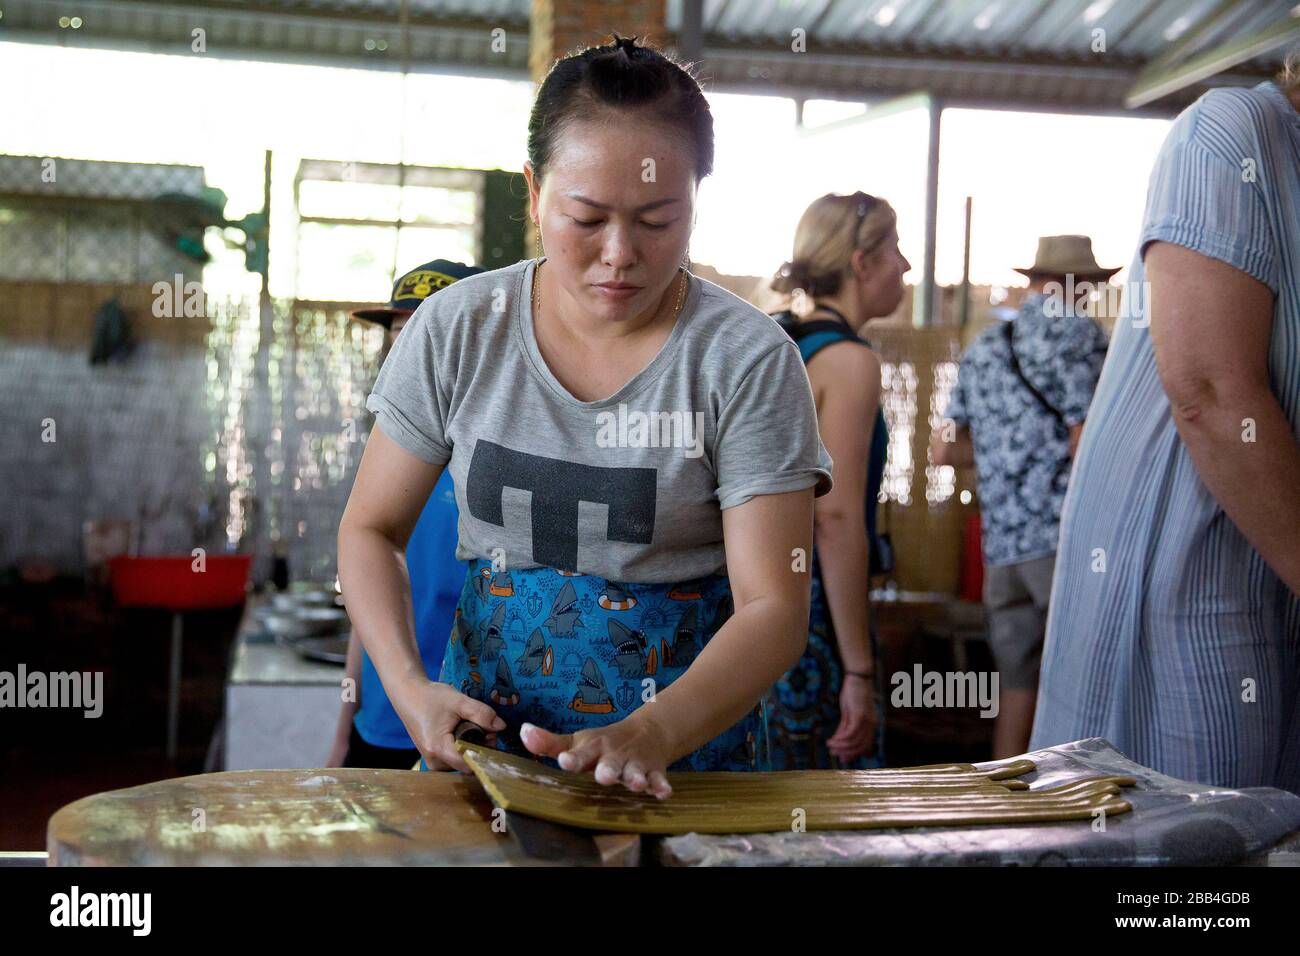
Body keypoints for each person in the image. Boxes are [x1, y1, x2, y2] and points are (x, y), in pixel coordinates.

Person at [337, 35, 832, 799]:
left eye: (658, 220)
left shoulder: (746, 361)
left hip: (685, 760)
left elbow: (774, 604)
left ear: (699, 198)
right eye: (587, 217)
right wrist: (408, 689)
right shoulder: (459, 329)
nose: (620, 254)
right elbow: (369, 530)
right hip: (485, 749)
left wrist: (652, 732)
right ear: (534, 192)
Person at [1031, 64, 1300, 792]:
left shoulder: (1005, 340)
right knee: (1193, 851)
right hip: (1187, 575)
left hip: (1017, 532)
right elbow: (1208, 393)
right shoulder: (1232, 136)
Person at [930, 235, 1110, 759]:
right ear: (1075, 286)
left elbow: (946, 451)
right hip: (1063, 541)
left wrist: (1009, 457)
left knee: (1016, 683)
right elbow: (1087, 440)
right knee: (1078, 683)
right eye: (1090, 288)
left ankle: (1010, 791)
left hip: (1002, 545)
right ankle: (1074, 804)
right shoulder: (1080, 335)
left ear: (1033, 282)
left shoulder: (985, 344)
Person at [763, 191, 910, 769]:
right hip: (814, 619)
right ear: (861, 263)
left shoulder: (783, 342)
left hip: (756, 607)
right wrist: (858, 669)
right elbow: (836, 517)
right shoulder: (850, 361)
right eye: (896, 247)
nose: (905, 266)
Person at [326, 260, 483, 769]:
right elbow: (368, 589)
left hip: (458, 733)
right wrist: (344, 730)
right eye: (396, 336)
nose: (404, 355)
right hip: (381, 723)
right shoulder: (390, 464)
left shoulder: (493, 470)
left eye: (421, 335)